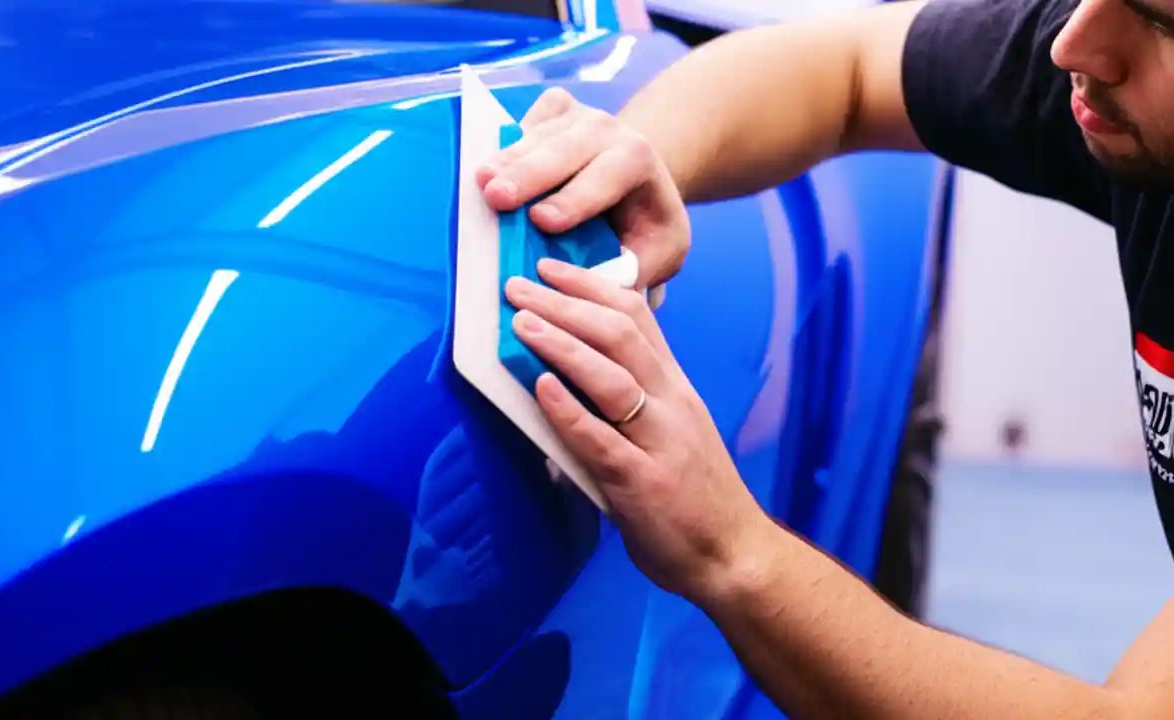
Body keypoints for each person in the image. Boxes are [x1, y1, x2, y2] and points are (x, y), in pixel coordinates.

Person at [475, 0, 1174, 716]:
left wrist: (733, 550)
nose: (1071, 47)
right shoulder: (1102, 50)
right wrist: (632, 158)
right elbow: (847, 67)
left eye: (1163, 25)